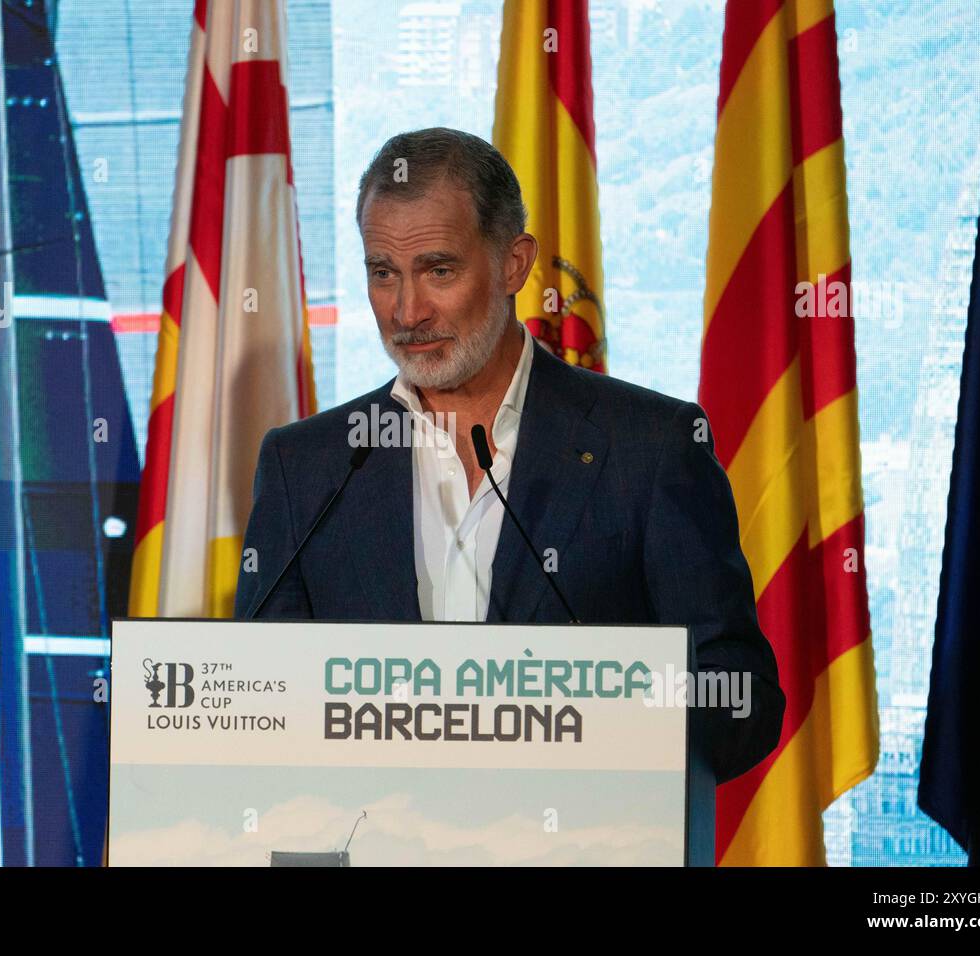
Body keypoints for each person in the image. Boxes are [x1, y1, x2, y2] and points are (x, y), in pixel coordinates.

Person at [234, 127, 784, 783]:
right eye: (384, 274)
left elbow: (741, 697)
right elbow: (260, 702)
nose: (407, 311)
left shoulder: (651, 447)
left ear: (513, 265)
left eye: (439, 270)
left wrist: (591, 713)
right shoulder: (308, 468)